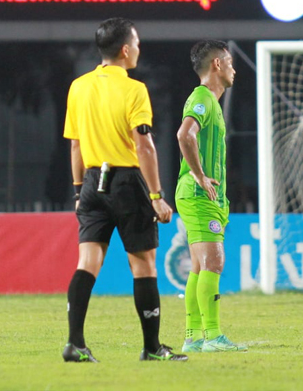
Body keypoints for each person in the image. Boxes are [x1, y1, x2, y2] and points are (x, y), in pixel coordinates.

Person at [62, 18, 186, 363]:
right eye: (137, 43)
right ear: (125, 49)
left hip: (89, 182)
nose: (139, 49)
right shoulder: (133, 90)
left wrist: (77, 192)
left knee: (87, 262)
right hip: (127, 184)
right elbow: (144, 146)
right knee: (144, 266)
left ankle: (75, 344)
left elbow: (75, 146)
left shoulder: (79, 87)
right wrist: (158, 196)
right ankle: (152, 348)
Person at [176, 41, 247, 353]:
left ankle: (193, 337)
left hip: (200, 195)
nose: (234, 68)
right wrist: (201, 175)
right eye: (230, 62)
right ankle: (213, 336)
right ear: (217, 65)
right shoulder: (203, 98)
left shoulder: (212, 102)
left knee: (199, 266)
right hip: (197, 193)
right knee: (214, 262)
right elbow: (184, 134)